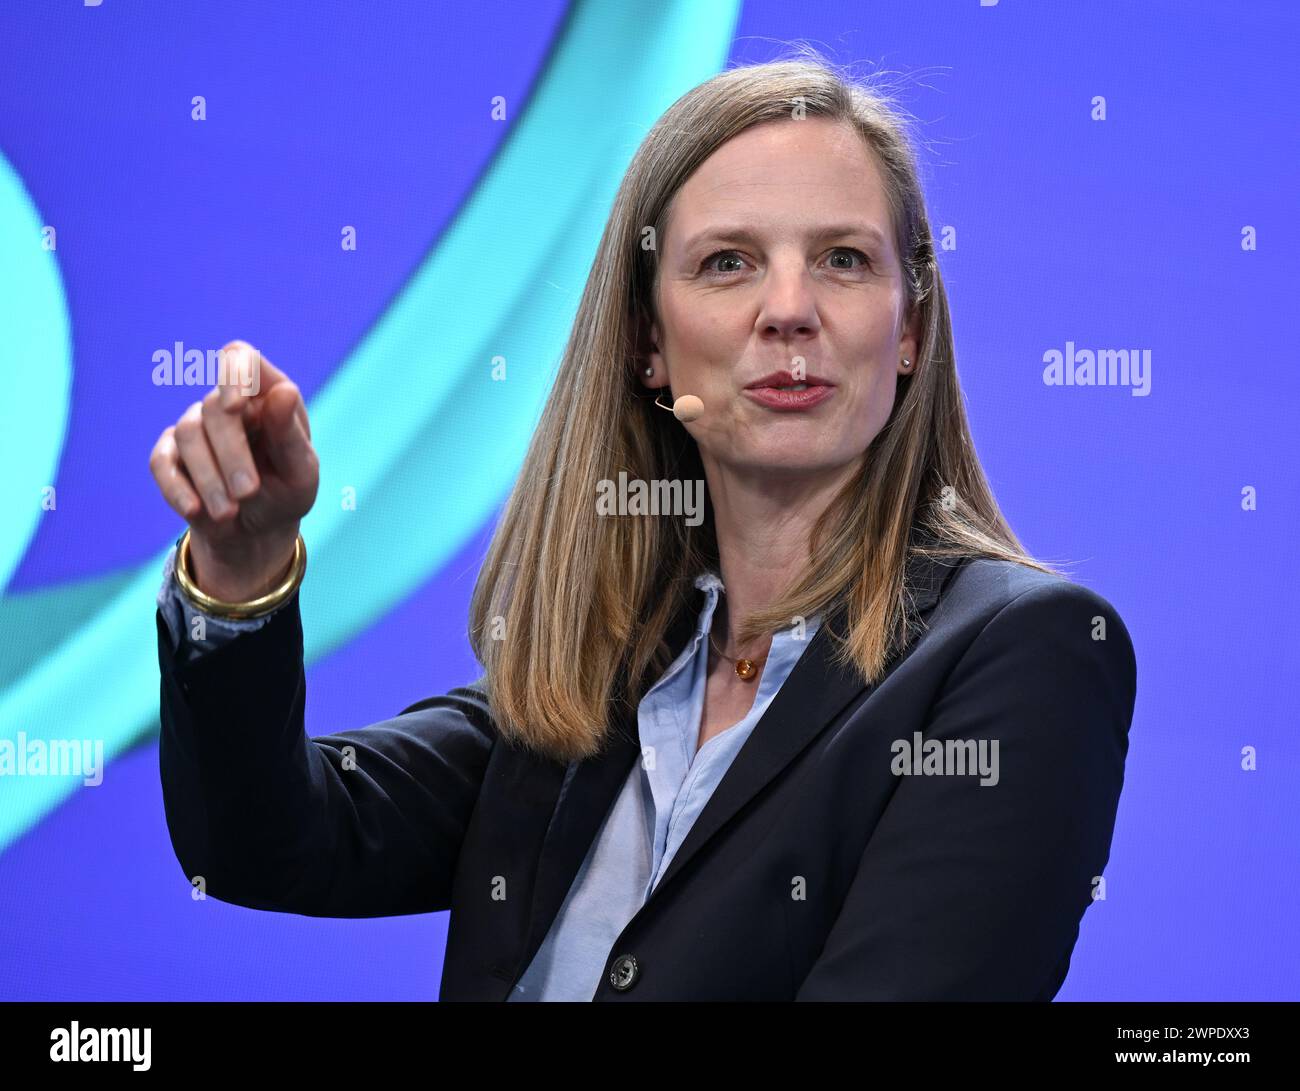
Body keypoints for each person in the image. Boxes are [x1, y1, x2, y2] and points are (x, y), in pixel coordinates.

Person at [148, 56, 1137, 1001]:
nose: (787, 310)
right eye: (727, 262)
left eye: (841, 259)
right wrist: (239, 569)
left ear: (909, 324)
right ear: (647, 342)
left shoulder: (1019, 650)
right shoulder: (602, 674)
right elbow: (267, 841)